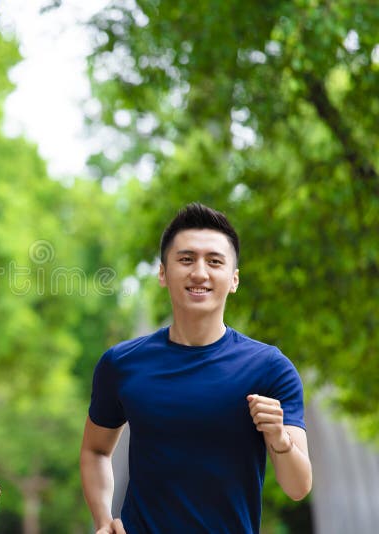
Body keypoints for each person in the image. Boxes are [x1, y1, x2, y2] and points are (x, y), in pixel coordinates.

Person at [80, 203, 312, 533]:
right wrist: (103, 520)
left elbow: (298, 487)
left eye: (214, 262)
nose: (200, 273)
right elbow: (95, 450)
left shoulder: (270, 368)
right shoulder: (122, 363)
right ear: (163, 273)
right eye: (186, 259)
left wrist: (279, 438)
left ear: (233, 280)